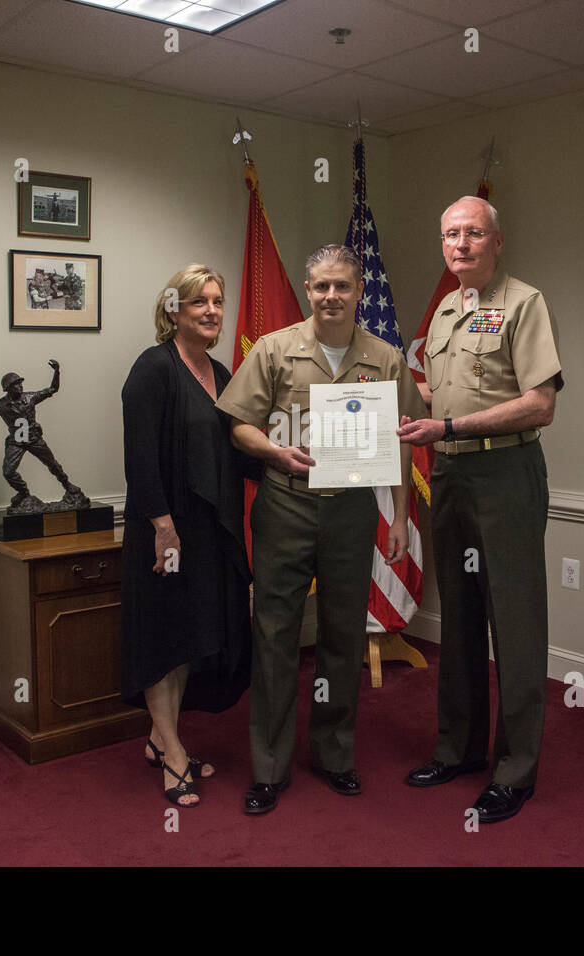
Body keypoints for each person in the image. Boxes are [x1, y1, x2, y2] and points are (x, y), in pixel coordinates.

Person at [215, 243, 426, 815]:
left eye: (342, 286)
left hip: (353, 510)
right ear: (308, 291)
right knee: (276, 636)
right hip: (286, 506)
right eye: (320, 287)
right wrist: (276, 452)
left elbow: (403, 439)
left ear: (359, 292)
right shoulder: (275, 349)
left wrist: (401, 515)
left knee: (341, 637)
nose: (331, 296)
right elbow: (238, 425)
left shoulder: (384, 357)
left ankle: (335, 755)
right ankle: (269, 768)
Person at [397, 196, 563, 824]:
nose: (459, 244)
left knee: (514, 621)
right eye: (449, 235)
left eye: (472, 233)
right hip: (452, 471)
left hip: (505, 470)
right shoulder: (442, 311)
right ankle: (459, 749)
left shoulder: (524, 303)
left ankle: (515, 770)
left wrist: (452, 425)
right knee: (459, 614)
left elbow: (541, 403)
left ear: (498, 241)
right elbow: (433, 394)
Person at [120, 264, 255, 807]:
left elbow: (233, 449)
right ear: (173, 309)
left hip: (208, 531)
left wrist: (294, 460)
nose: (212, 311)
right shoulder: (152, 369)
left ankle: (162, 738)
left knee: (185, 642)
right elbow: (139, 456)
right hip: (165, 530)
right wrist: (162, 526)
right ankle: (174, 755)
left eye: (218, 302)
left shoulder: (221, 374)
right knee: (163, 638)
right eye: (199, 301)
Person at [0, 361, 84, 511]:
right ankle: (23, 492)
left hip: (34, 439)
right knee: (8, 472)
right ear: (8, 388)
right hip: (17, 441)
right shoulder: (0, 404)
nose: (20, 386)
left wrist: (56, 371)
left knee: (52, 464)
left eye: (20, 383)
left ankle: (67, 485)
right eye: (16, 384)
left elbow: (52, 389)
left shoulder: (31, 397)